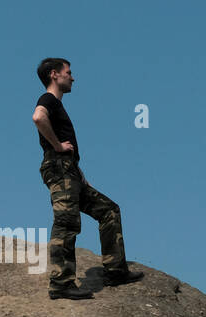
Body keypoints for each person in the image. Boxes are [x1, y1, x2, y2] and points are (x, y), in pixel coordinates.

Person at [31, 58, 142, 300]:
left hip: (70, 172)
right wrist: (59, 146)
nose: (73, 77)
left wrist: (81, 177)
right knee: (67, 222)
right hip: (60, 169)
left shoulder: (58, 105)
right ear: (54, 75)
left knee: (109, 210)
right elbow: (38, 118)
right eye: (68, 72)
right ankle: (60, 283)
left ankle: (115, 271)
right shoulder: (48, 100)